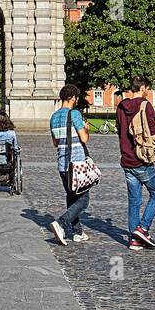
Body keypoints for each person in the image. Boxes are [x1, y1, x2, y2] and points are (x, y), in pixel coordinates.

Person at [116, 77, 155, 250]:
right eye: (147, 88)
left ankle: (133, 239)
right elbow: (152, 136)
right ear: (142, 88)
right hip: (143, 159)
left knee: (134, 200)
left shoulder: (121, 106)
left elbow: (119, 130)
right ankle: (142, 228)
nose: (148, 91)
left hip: (126, 159)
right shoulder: (145, 105)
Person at [49, 83, 93, 245]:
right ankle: (61, 223)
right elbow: (84, 138)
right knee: (83, 200)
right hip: (77, 163)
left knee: (71, 196)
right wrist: (86, 128)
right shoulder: (74, 114)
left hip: (62, 163)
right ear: (73, 98)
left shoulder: (53, 117)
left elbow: (55, 143)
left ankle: (77, 232)